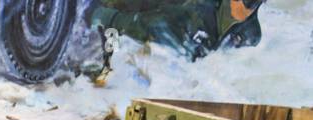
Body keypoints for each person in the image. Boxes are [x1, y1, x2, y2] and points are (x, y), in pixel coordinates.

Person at [87, 0, 266, 61]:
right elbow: (141, 24)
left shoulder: (251, 35)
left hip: (177, 52)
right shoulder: (194, 11)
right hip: (134, 17)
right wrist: (99, 15)